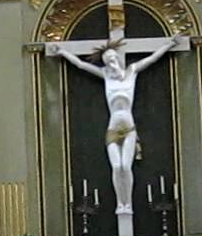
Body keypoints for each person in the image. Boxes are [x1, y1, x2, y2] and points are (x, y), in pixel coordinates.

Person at [49, 36, 182, 214]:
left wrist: (170, 45)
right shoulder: (105, 75)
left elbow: (152, 59)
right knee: (116, 167)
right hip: (113, 128)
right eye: (107, 59)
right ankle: (120, 203)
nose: (111, 61)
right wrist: (63, 52)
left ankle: (128, 204)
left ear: (117, 57)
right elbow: (81, 65)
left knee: (125, 167)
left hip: (128, 128)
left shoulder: (132, 71)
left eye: (112, 57)